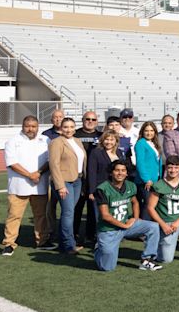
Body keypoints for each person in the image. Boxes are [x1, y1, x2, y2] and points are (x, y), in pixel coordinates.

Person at [93, 160, 161, 272]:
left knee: (153, 227)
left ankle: (147, 260)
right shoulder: (102, 189)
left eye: (123, 170)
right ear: (111, 172)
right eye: (117, 170)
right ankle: (98, 250)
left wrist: (136, 218)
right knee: (107, 268)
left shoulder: (130, 185)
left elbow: (135, 202)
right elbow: (105, 215)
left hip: (126, 224)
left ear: (127, 173)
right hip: (109, 230)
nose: (120, 173)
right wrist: (124, 226)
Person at [1, 115, 50, 255]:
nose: (30, 129)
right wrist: (30, 175)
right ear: (22, 126)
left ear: (38, 127)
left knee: (40, 215)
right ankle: (9, 243)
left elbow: (49, 160)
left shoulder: (45, 140)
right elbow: (12, 163)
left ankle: (42, 241)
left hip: (40, 185)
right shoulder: (12, 141)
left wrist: (39, 173)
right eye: (27, 126)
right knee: (14, 216)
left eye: (33, 126)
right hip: (18, 186)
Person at [48, 116, 87, 254]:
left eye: (71, 127)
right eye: (65, 127)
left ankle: (64, 242)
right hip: (64, 182)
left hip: (77, 180)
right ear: (61, 128)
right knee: (68, 213)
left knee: (69, 212)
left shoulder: (77, 141)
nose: (69, 130)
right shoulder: (56, 142)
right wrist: (60, 186)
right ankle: (68, 245)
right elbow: (54, 164)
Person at [72, 110, 103, 241]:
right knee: (76, 208)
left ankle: (91, 235)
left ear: (97, 122)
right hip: (78, 176)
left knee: (92, 208)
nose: (90, 122)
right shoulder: (75, 134)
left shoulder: (101, 135)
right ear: (83, 120)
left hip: (95, 176)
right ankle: (73, 233)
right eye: (87, 119)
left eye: (93, 120)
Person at [134, 121, 163, 200]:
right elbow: (140, 163)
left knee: (153, 205)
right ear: (142, 132)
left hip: (155, 179)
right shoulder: (141, 144)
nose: (149, 133)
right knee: (147, 205)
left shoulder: (154, 143)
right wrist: (146, 179)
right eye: (146, 131)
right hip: (146, 181)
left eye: (151, 131)